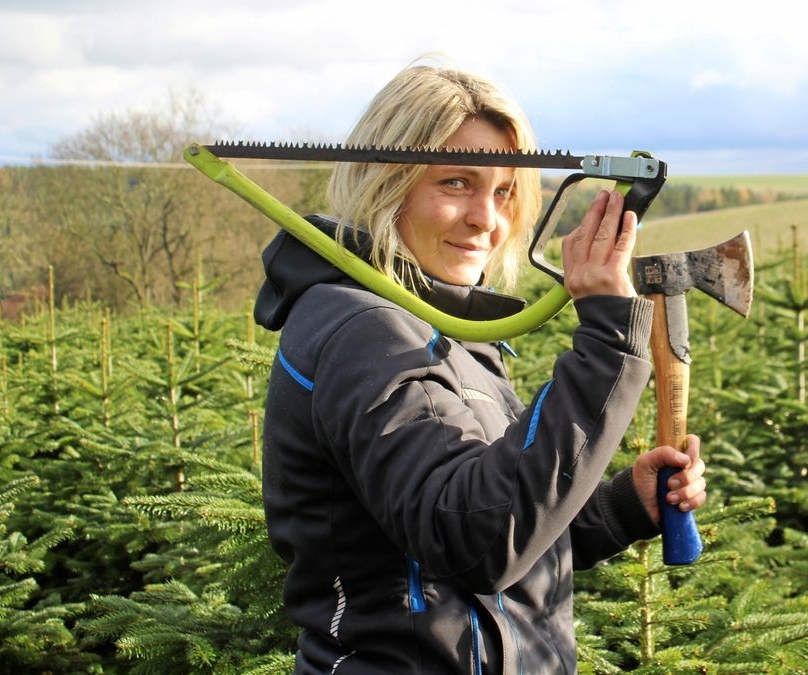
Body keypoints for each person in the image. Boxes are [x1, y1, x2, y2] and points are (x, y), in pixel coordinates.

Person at [254, 60, 708, 674]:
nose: (486, 220)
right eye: (455, 183)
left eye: (502, 192)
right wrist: (608, 344)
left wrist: (624, 507)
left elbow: (508, 526)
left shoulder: (445, 327)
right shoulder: (365, 330)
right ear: (386, 182)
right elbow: (476, 541)